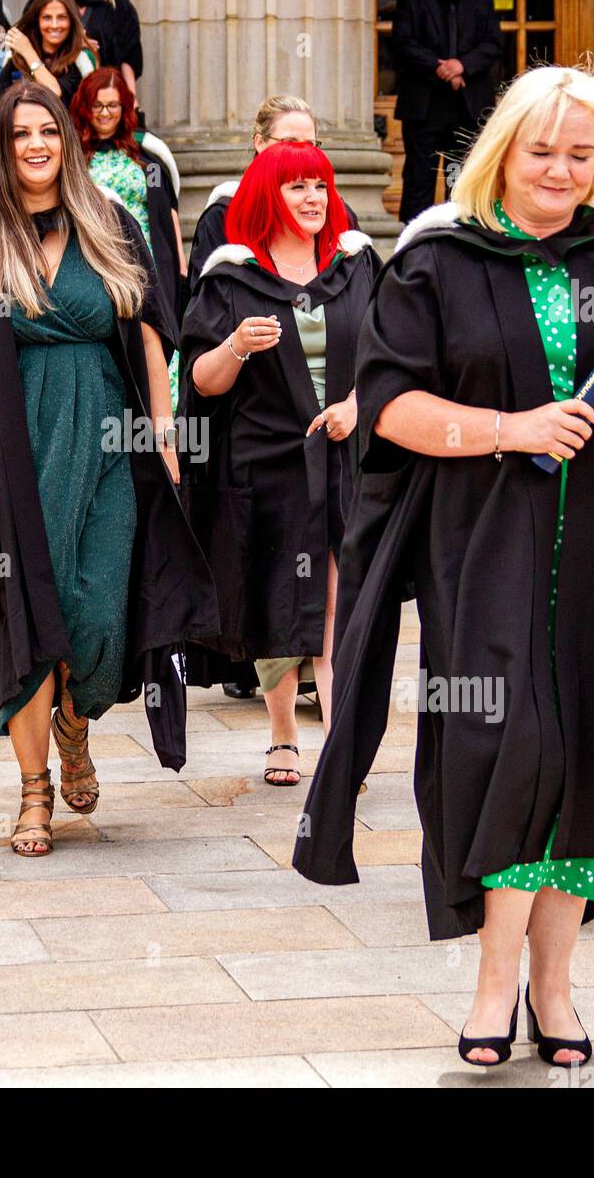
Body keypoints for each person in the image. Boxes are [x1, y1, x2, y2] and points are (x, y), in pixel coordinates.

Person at [292, 66, 594, 1069]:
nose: (560, 170)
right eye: (541, 151)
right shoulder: (438, 259)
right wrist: (507, 427)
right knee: (504, 754)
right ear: (502, 155)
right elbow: (387, 406)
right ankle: (492, 980)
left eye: (579, 153)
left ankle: (555, 991)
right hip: (483, 556)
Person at [0, 84, 216, 855]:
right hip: (16, 447)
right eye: (21, 135)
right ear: (2, 148)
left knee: (101, 613)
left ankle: (76, 722)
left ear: (67, 143)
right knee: (26, 617)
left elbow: (150, 332)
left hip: (110, 440)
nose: (38, 145)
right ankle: (34, 791)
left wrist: (166, 436)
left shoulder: (109, 224)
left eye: (50, 131)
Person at [180, 140, 379, 787]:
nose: (314, 198)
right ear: (268, 196)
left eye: (320, 185)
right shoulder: (233, 277)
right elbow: (203, 383)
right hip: (267, 464)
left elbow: (395, 352)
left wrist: (357, 403)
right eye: (296, 187)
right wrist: (235, 346)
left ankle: (341, 737)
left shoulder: (356, 266)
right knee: (275, 601)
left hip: (346, 459)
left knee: (335, 598)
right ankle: (284, 733)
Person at [187, 94, 361, 297]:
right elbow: (205, 307)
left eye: (309, 144)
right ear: (260, 142)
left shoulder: (334, 211)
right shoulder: (224, 215)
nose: (300, 152)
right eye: (289, 142)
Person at [390, 0, 502, 226]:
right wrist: (441, 68)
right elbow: (403, 45)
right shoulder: (411, 3)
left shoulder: (482, 5)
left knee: (462, 177)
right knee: (419, 178)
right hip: (425, 109)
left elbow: (493, 45)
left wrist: (462, 66)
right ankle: (414, 243)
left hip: (468, 108)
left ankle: (460, 239)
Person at [71, 66, 183, 338]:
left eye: (113, 105)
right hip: (92, 255)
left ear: (125, 107)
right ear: (86, 107)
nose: (105, 112)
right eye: (97, 105)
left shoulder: (145, 152)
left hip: (148, 258)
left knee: (153, 334)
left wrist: (179, 265)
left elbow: (166, 210)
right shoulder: (72, 153)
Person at [0, 0, 97, 108]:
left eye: (62, 17)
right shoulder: (17, 59)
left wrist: (29, 53)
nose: (54, 25)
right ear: (37, 19)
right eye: (47, 17)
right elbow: (0, 106)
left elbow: (55, 94)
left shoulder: (80, 60)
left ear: (71, 20)